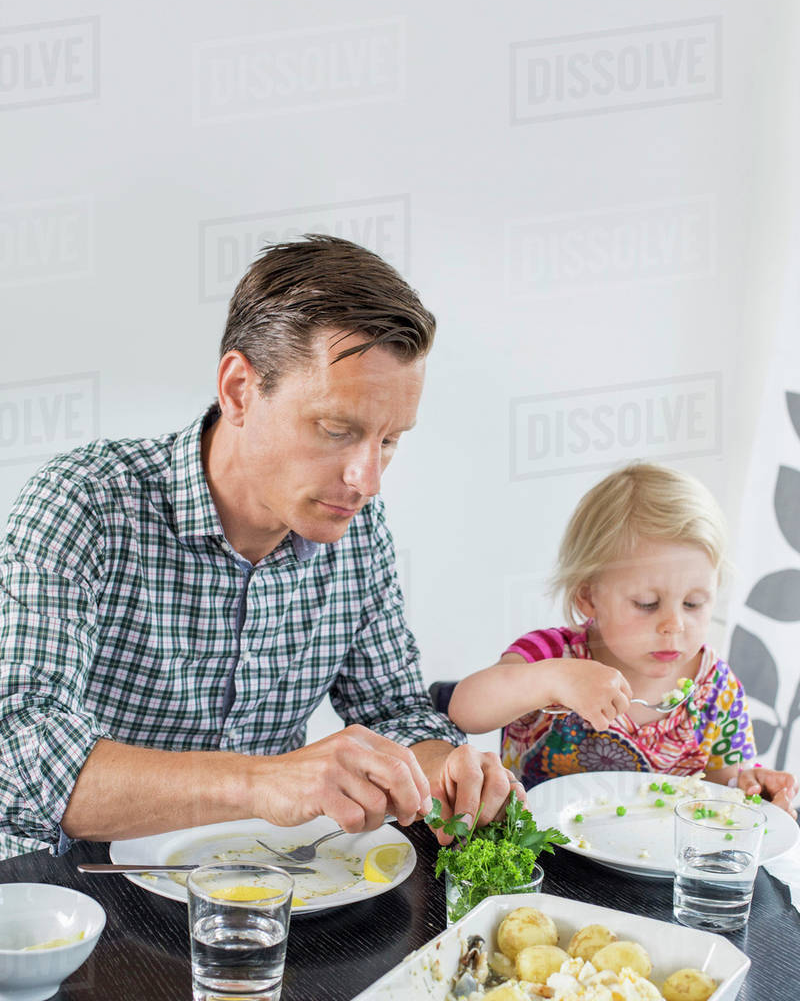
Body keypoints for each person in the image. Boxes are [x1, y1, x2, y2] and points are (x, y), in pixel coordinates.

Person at [0, 236, 519, 860]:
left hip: (256, 888)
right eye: (336, 429)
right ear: (240, 390)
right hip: (68, 892)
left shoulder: (355, 524)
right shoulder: (83, 503)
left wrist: (442, 769)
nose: (367, 480)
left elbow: (395, 709)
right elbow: (21, 752)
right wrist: (264, 780)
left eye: (389, 441)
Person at [448, 462, 797, 815]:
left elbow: (722, 788)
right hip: (545, 858)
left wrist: (751, 789)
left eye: (694, 603)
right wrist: (552, 679)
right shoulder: (553, 654)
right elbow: (465, 711)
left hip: (658, 865)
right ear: (588, 595)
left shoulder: (717, 691)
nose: (673, 624)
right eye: (647, 604)